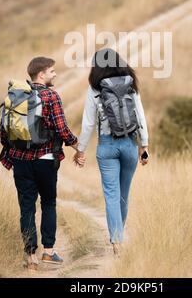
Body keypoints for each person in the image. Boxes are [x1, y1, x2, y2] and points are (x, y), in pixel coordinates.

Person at [0, 56, 78, 270]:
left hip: (20, 161)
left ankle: (31, 257)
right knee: (48, 203)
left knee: (26, 207)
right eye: (52, 71)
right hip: (45, 160)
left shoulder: (16, 95)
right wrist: (77, 146)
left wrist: (16, 151)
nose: (55, 74)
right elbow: (61, 129)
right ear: (41, 74)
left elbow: (3, 132)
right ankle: (48, 252)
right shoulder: (51, 96)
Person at [74, 48, 149, 256]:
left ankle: (116, 240)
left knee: (111, 195)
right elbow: (140, 116)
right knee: (123, 195)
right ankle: (119, 235)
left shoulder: (94, 89)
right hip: (130, 145)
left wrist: (80, 150)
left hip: (106, 146)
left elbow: (89, 124)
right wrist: (144, 146)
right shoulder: (130, 84)